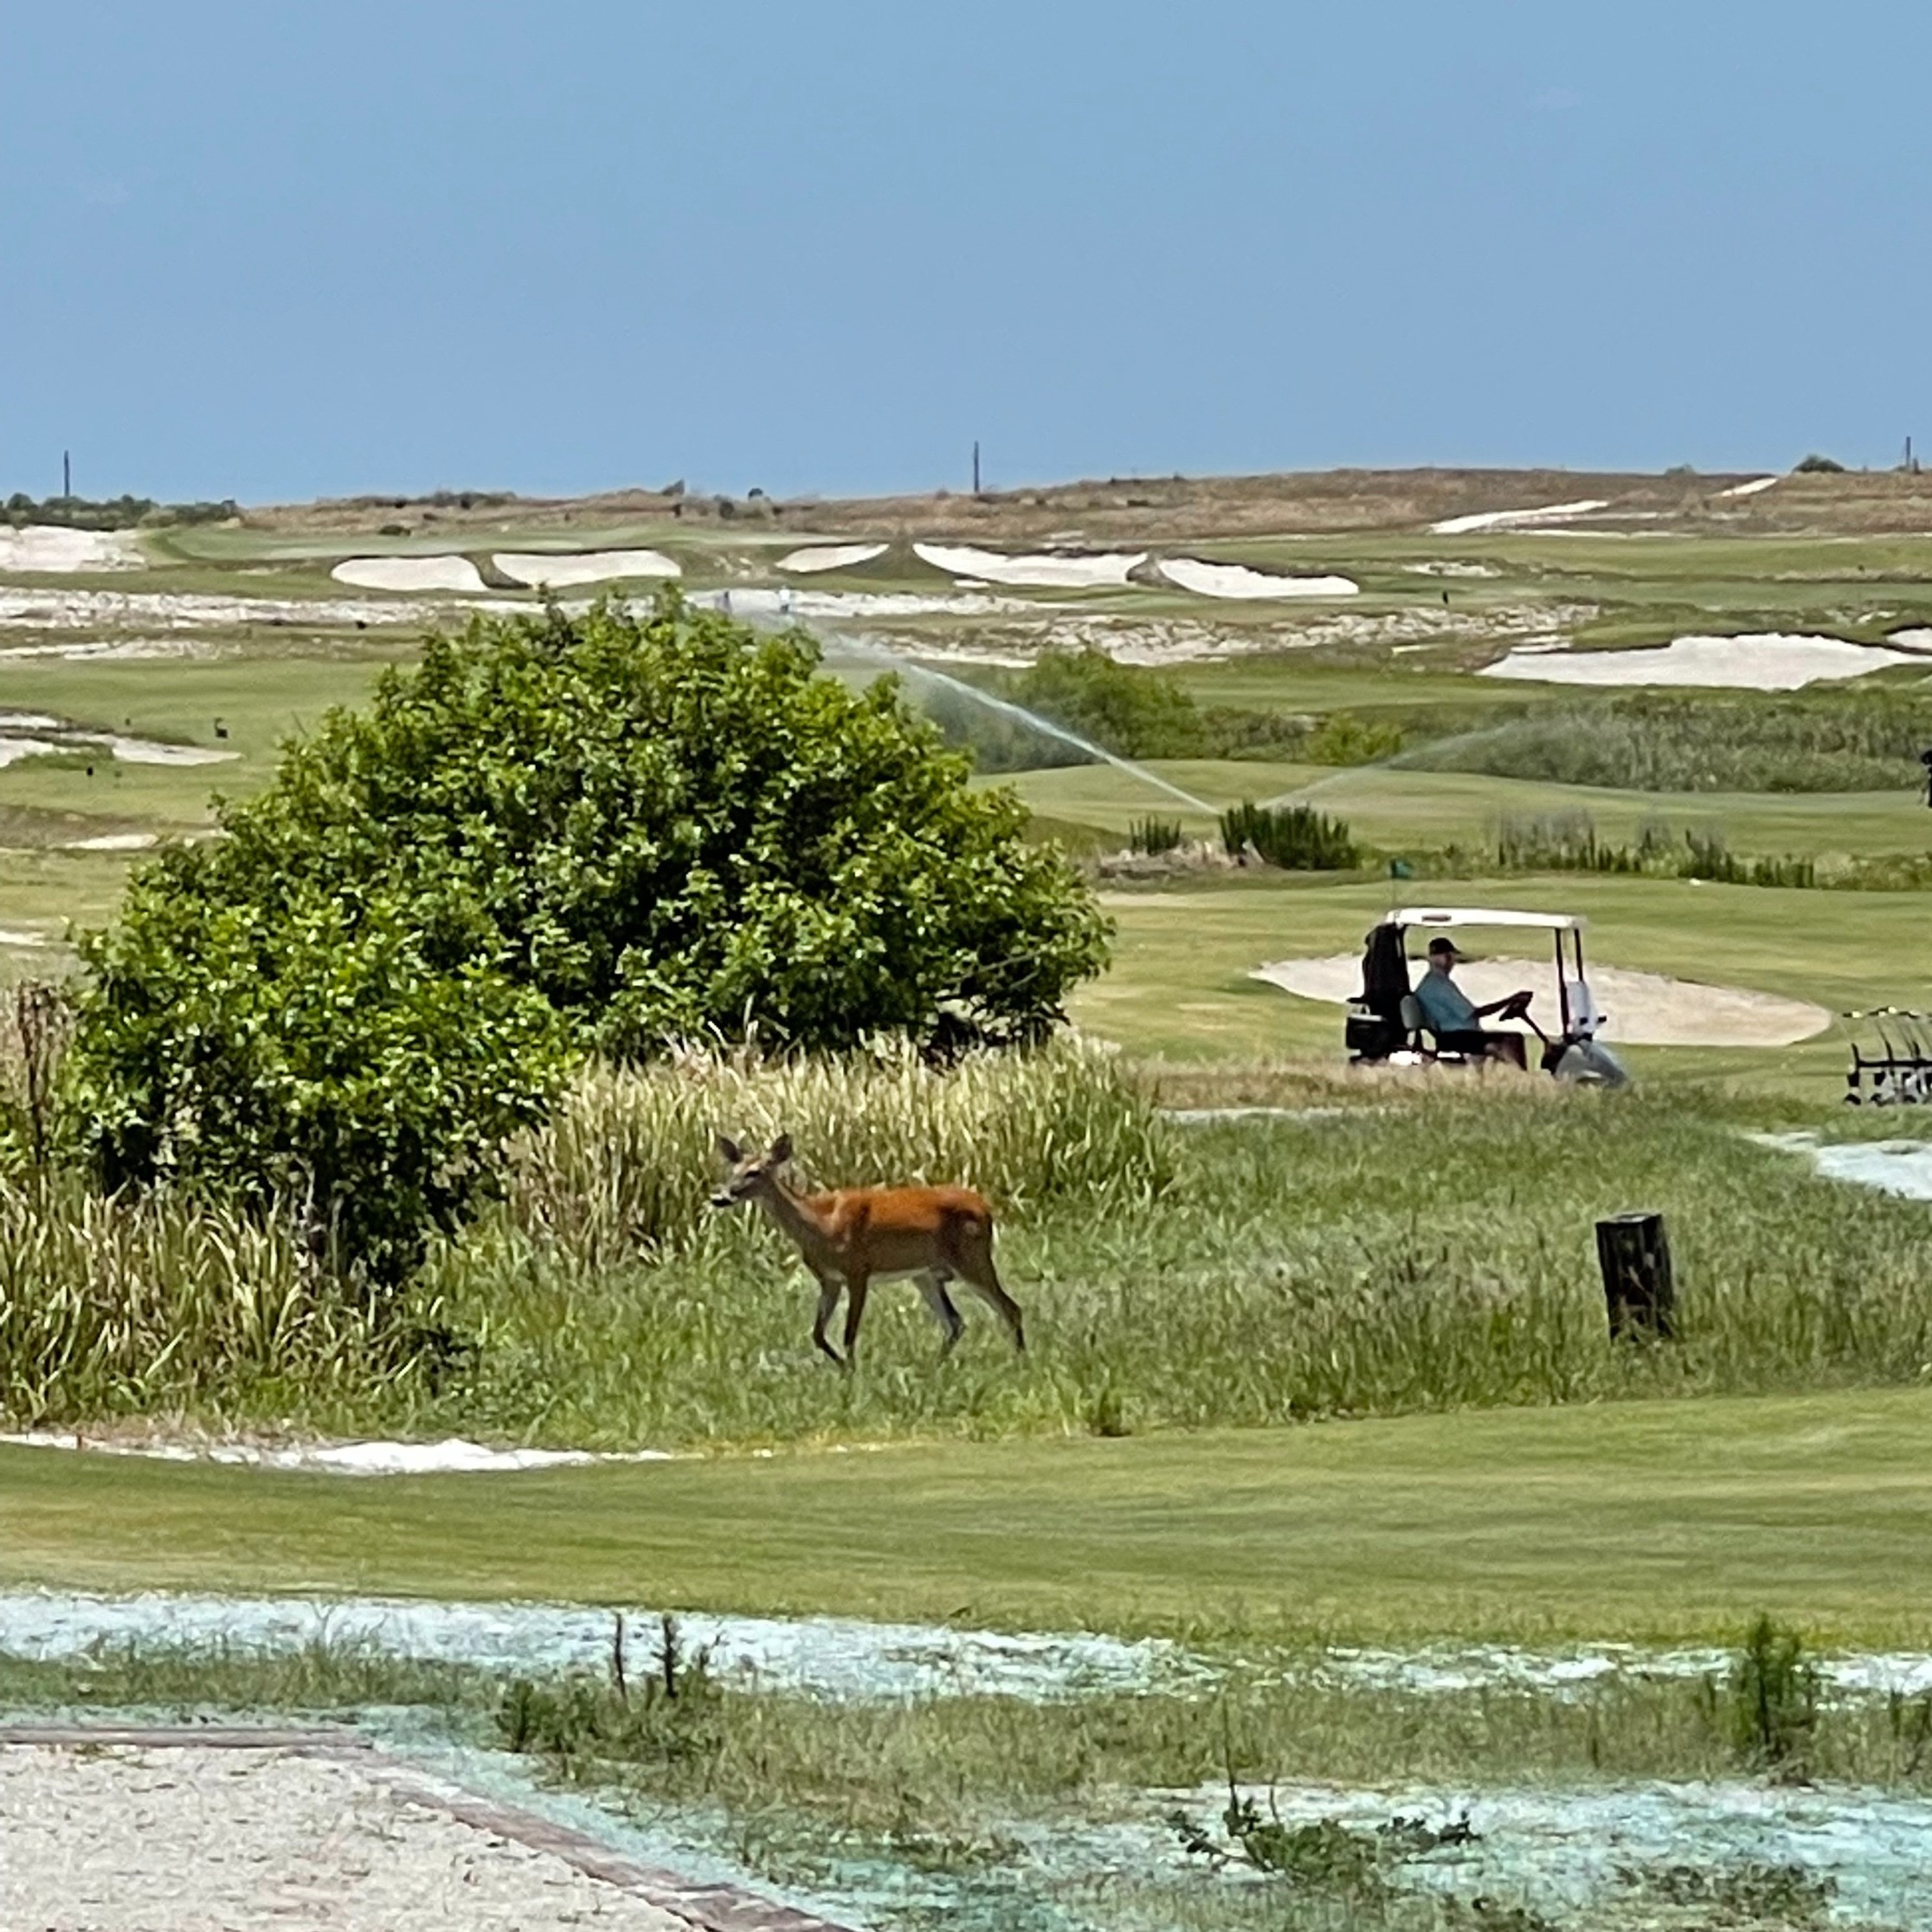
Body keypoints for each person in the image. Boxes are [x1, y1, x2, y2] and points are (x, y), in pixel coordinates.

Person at [1410, 935, 1533, 1069]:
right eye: (1450, 957)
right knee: (1512, 1040)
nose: (1452, 962)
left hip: (1452, 1035)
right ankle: (1521, 1077)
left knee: (1508, 1039)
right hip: (1458, 1038)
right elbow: (1474, 1013)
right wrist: (1511, 1000)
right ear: (1441, 958)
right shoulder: (1440, 985)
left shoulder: (1431, 983)